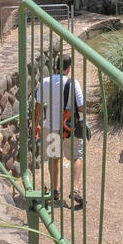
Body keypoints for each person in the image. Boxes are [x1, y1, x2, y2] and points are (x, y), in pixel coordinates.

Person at [34, 52, 85, 209]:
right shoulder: (73, 83)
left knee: (53, 157)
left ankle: (55, 190)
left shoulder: (45, 82)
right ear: (69, 68)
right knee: (77, 155)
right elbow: (82, 106)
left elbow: (38, 106)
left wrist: (36, 124)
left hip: (51, 126)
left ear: (55, 66)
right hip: (68, 127)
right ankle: (75, 189)